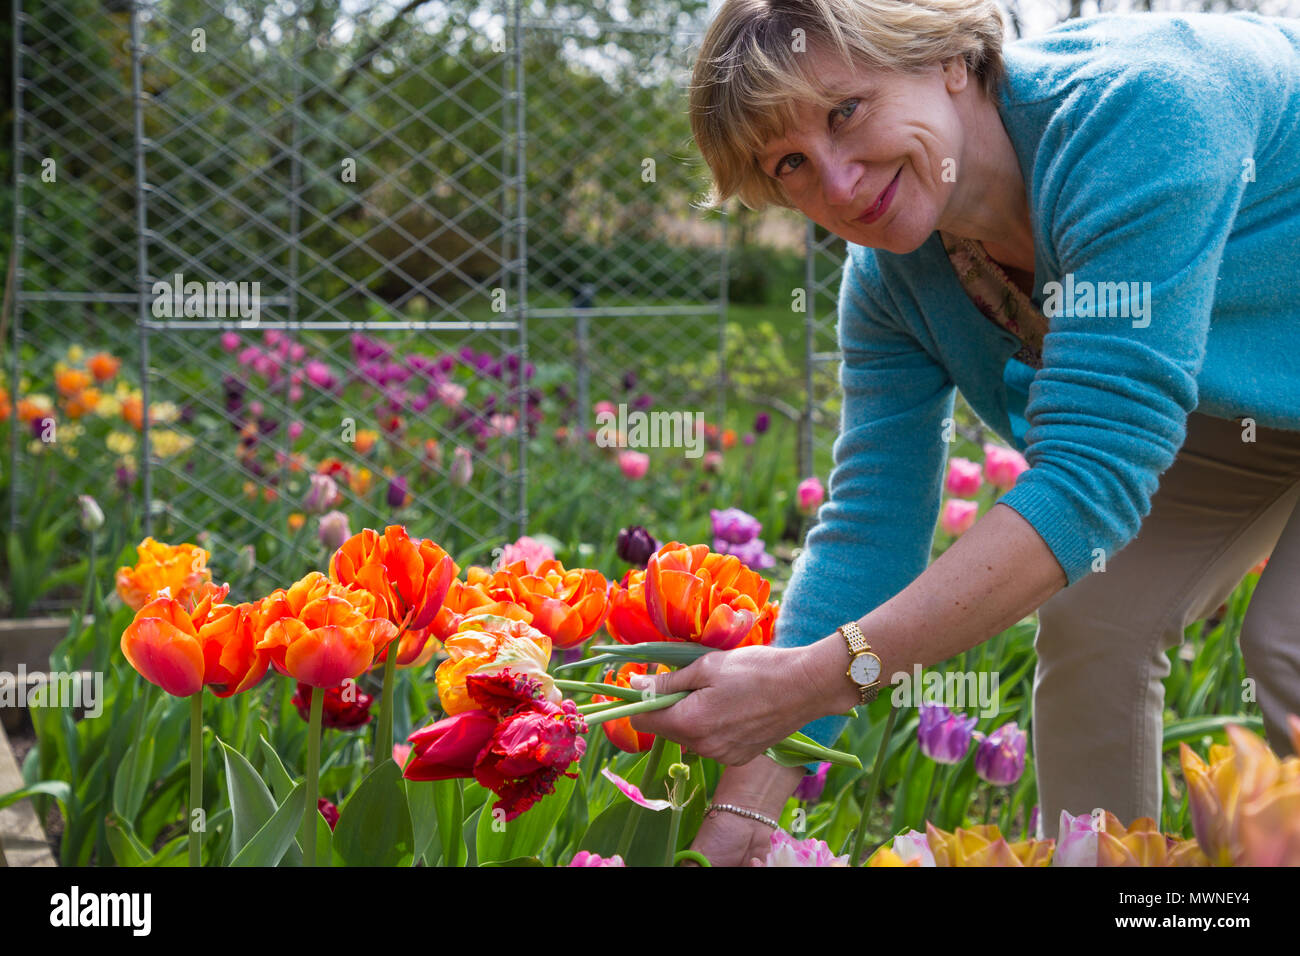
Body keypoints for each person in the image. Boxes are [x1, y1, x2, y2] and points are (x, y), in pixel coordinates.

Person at [629, 0, 1300, 866]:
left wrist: (822, 677)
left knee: (1283, 643)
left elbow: (1093, 474)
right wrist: (745, 815)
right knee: (1097, 622)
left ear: (947, 57)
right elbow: (870, 528)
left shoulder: (1144, 111)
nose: (837, 184)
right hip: (1244, 406)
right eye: (790, 161)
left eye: (847, 112)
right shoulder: (892, 285)